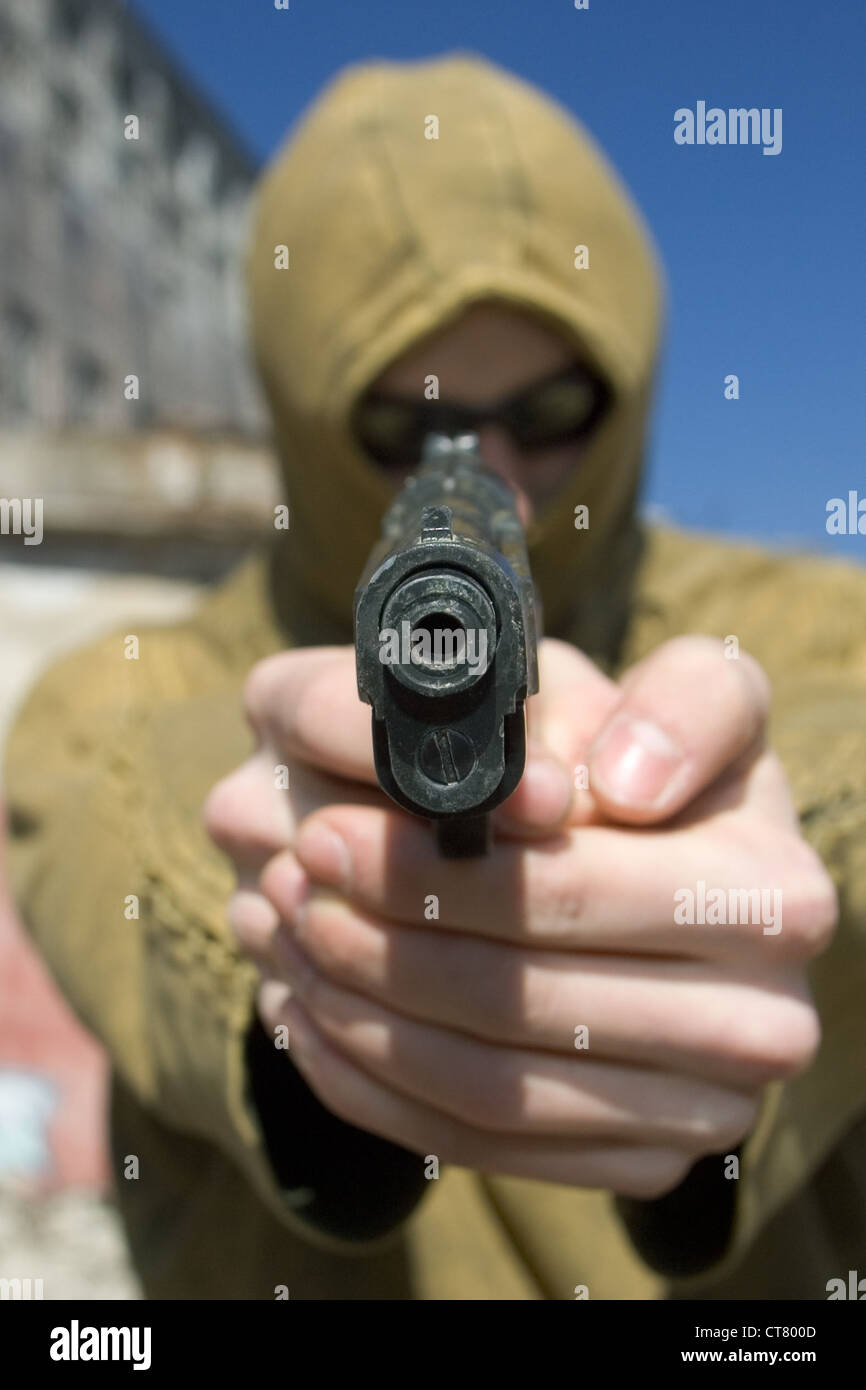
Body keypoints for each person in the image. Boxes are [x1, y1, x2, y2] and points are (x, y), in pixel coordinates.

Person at [6, 53, 866, 1302]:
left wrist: (761, 867)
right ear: (308, 415)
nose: (497, 478)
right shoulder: (116, 690)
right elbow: (128, 816)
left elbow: (845, 734)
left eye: (554, 405)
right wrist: (297, 942)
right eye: (411, 428)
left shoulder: (799, 619)